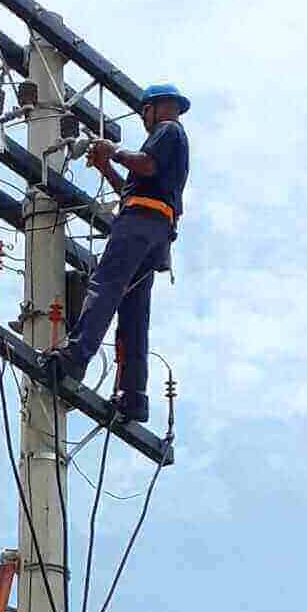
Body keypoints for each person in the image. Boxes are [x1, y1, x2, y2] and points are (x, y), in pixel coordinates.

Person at [40, 83, 190, 422]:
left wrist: (115, 151)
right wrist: (107, 168)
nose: (144, 119)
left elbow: (146, 165)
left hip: (139, 223)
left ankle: (75, 357)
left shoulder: (168, 130)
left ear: (153, 108)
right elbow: (133, 188)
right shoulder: (173, 142)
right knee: (134, 312)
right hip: (156, 230)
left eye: (144, 113)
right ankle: (133, 396)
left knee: (106, 286)